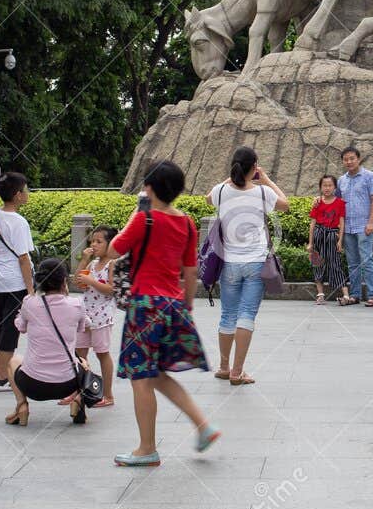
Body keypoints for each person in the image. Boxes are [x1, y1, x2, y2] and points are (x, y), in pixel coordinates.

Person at [111, 161, 218, 467]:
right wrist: (186, 307)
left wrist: (135, 214)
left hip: (144, 306)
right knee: (157, 374)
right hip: (173, 307)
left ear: (150, 187)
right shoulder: (186, 223)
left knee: (141, 378)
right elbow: (190, 269)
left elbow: (116, 249)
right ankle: (203, 426)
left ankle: (147, 448)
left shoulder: (143, 218)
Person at [209, 147, 290, 384]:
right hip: (255, 263)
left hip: (229, 264)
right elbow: (285, 204)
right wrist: (265, 178)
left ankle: (224, 367)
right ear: (254, 167)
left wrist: (231, 177)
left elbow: (207, 198)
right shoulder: (263, 192)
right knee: (246, 316)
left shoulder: (221, 191)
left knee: (228, 315)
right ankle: (237, 371)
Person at [6, 257, 91, 427]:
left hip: (32, 385)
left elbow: (20, 327)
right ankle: (78, 400)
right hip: (67, 384)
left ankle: (22, 405)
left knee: (13, 361)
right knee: (84, 362)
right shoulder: (76, 304)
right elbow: (85, 326)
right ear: (64, 281)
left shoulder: (30, 303)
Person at [0, 171, 34, 391]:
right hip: (16, 283)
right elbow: (24, 258)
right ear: (17, 195)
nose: (27, 193)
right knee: (10, 329)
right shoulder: (19, 222)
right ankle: (4, 377)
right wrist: (30, 290)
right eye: (25, 189)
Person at [72, 225, 118, 406]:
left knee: (102, 353)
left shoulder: (112, 264)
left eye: (99, 241)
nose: (94, 244)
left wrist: (92, 281)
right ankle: (78, 391)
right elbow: (78, 282)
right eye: (92, 241)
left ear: (111, 244)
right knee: (80, 353)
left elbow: (111, 290)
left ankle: (108, 394)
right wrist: (84, 261)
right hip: (86, 313)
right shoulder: (91, 264)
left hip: (103, 316)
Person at [338, 146, 373, 307]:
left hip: (364, 226)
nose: (349, 162)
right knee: (352, 263)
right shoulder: (342, 180)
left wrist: (371, 222)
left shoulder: (369, 176)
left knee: (367, 261)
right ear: (343, 161)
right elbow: (336, 202)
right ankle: (354, 295)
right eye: (346, 159)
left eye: (352, 158)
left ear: (358, 159)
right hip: (348, 227)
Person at [308, 175, 350, 305]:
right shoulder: (317, 203)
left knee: (335, 264)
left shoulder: (340, 203)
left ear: (335, 187)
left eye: (330, 185)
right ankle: (320, 295)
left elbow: (342, 222)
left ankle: (346, 296)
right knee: (317, 264)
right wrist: (310, 243)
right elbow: (312, 224)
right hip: (318, 235)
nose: (327, 188)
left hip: (332, 235)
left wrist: (340, 240)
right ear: (320, 187)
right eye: (324, 185)